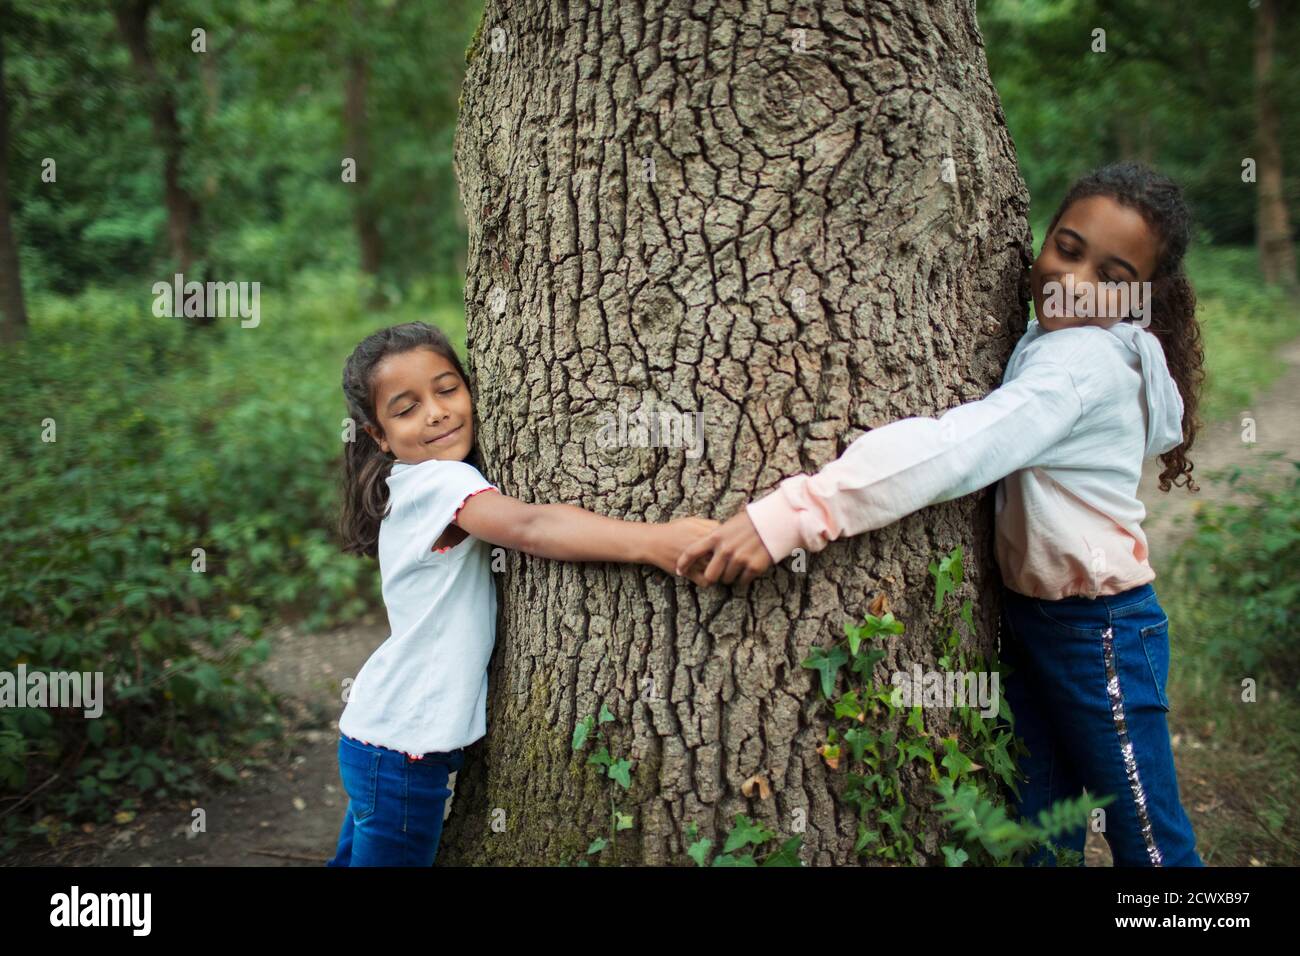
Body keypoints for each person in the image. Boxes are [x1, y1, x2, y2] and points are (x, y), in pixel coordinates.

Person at [677, 162, 1206, 867]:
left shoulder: (1081, 366)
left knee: (1149, 839)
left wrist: (795, 514)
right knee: (1035, 825)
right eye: (1067, 248)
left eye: (1109, 276)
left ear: (1141, 295)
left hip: (1099, 632)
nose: (1073, 283)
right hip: (1040, 621)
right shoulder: (1078, 343)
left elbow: (953, 450)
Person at [327, 321, 716, 866]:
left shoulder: (412, 483)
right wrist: (657, 542)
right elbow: (533, 527)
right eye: (406, 407)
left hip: (378, 738)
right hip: (402, 752)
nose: (436, 412)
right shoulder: (440, 482)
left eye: (446, 389)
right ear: (379, 436)